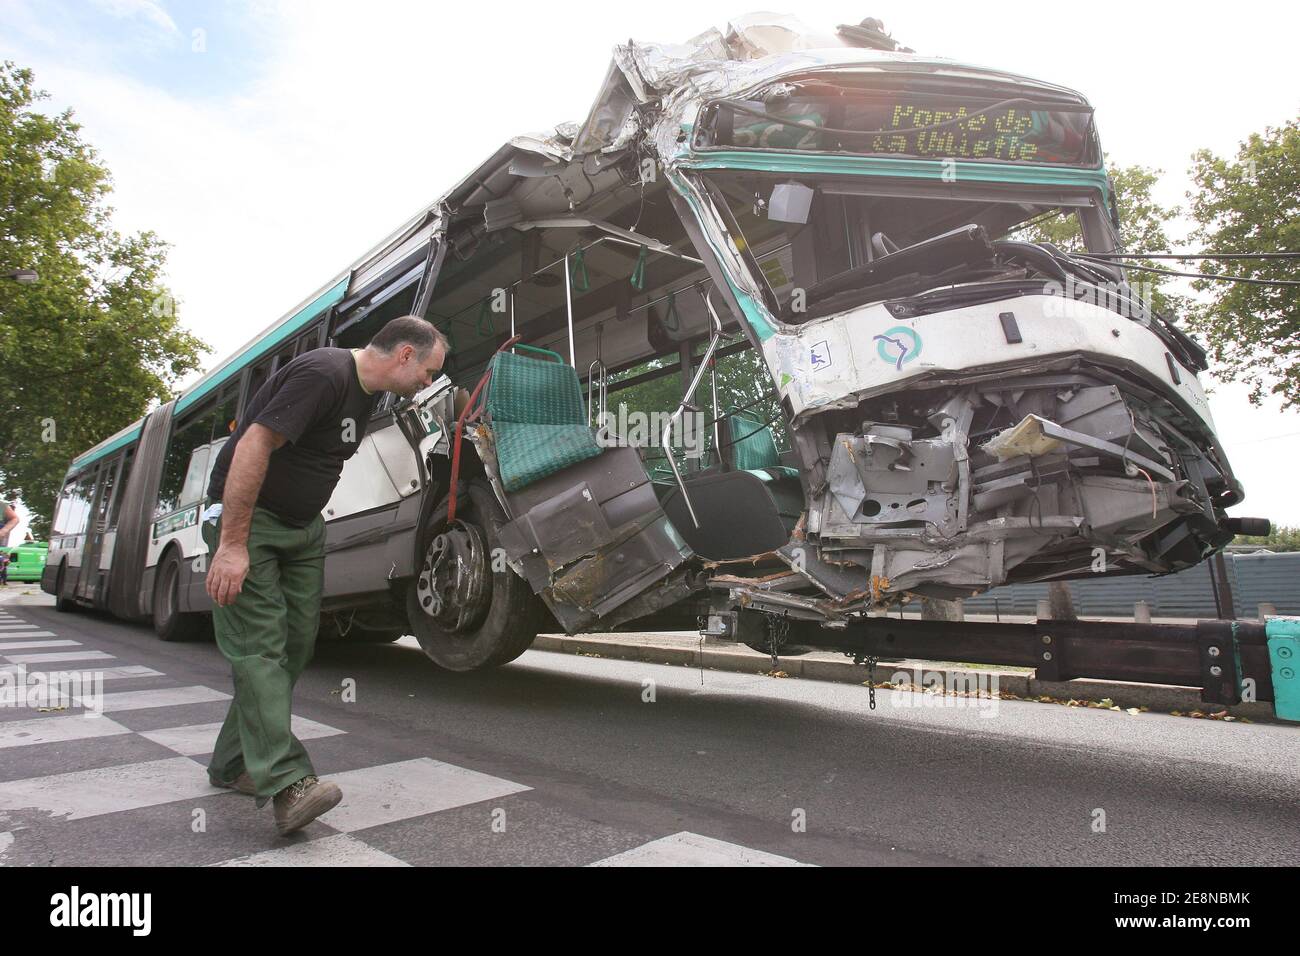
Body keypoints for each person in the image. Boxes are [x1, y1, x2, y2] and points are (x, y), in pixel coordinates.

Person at [203, 316, 448, 835]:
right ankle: (289, 785)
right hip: (253, 523)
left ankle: (233, 762)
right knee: (260, 644)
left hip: (301, 529)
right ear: (405, 354)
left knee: (294, 646)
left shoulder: (367, 396)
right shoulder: (325, 372)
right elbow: (253, 444)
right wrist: (232, 543)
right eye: (429, 372)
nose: (429, 383)